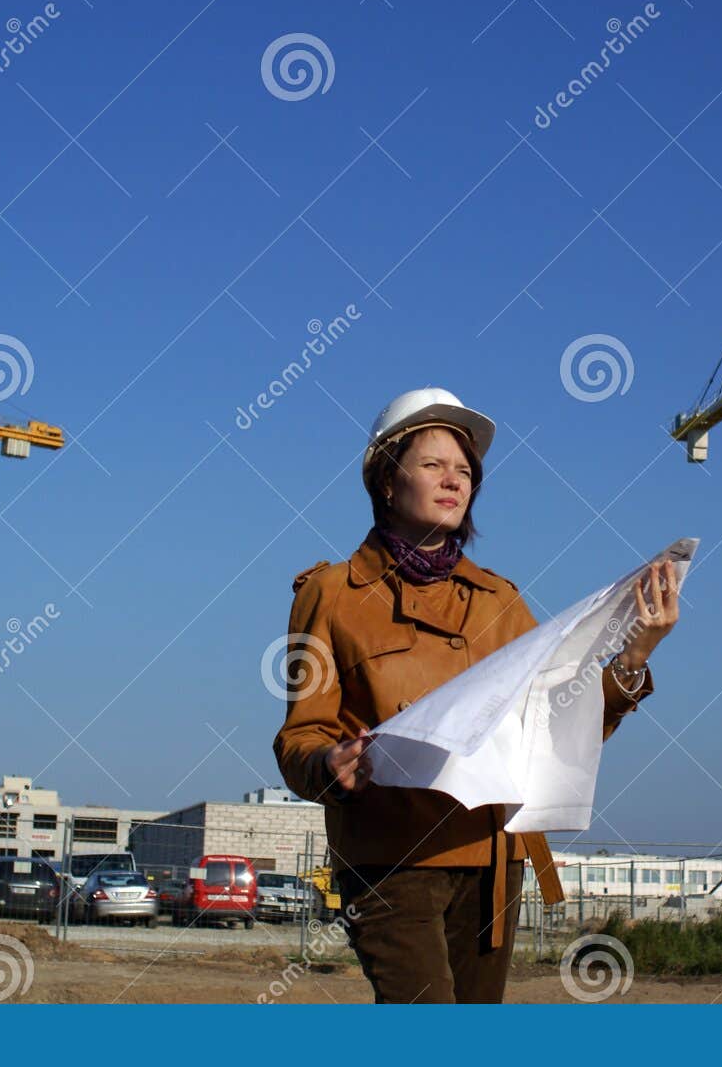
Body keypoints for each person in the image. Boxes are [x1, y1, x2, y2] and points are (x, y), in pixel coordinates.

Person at [273, 387, 680, 1003]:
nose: (454, 480)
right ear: (387, 481)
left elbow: (555, 729)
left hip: (492, 863)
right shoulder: (330, 594)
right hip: (390, 864)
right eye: (433, 464)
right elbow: (300, 736)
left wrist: (633, 656)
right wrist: (327, 765)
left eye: (465, 471)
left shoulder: (501, 601)